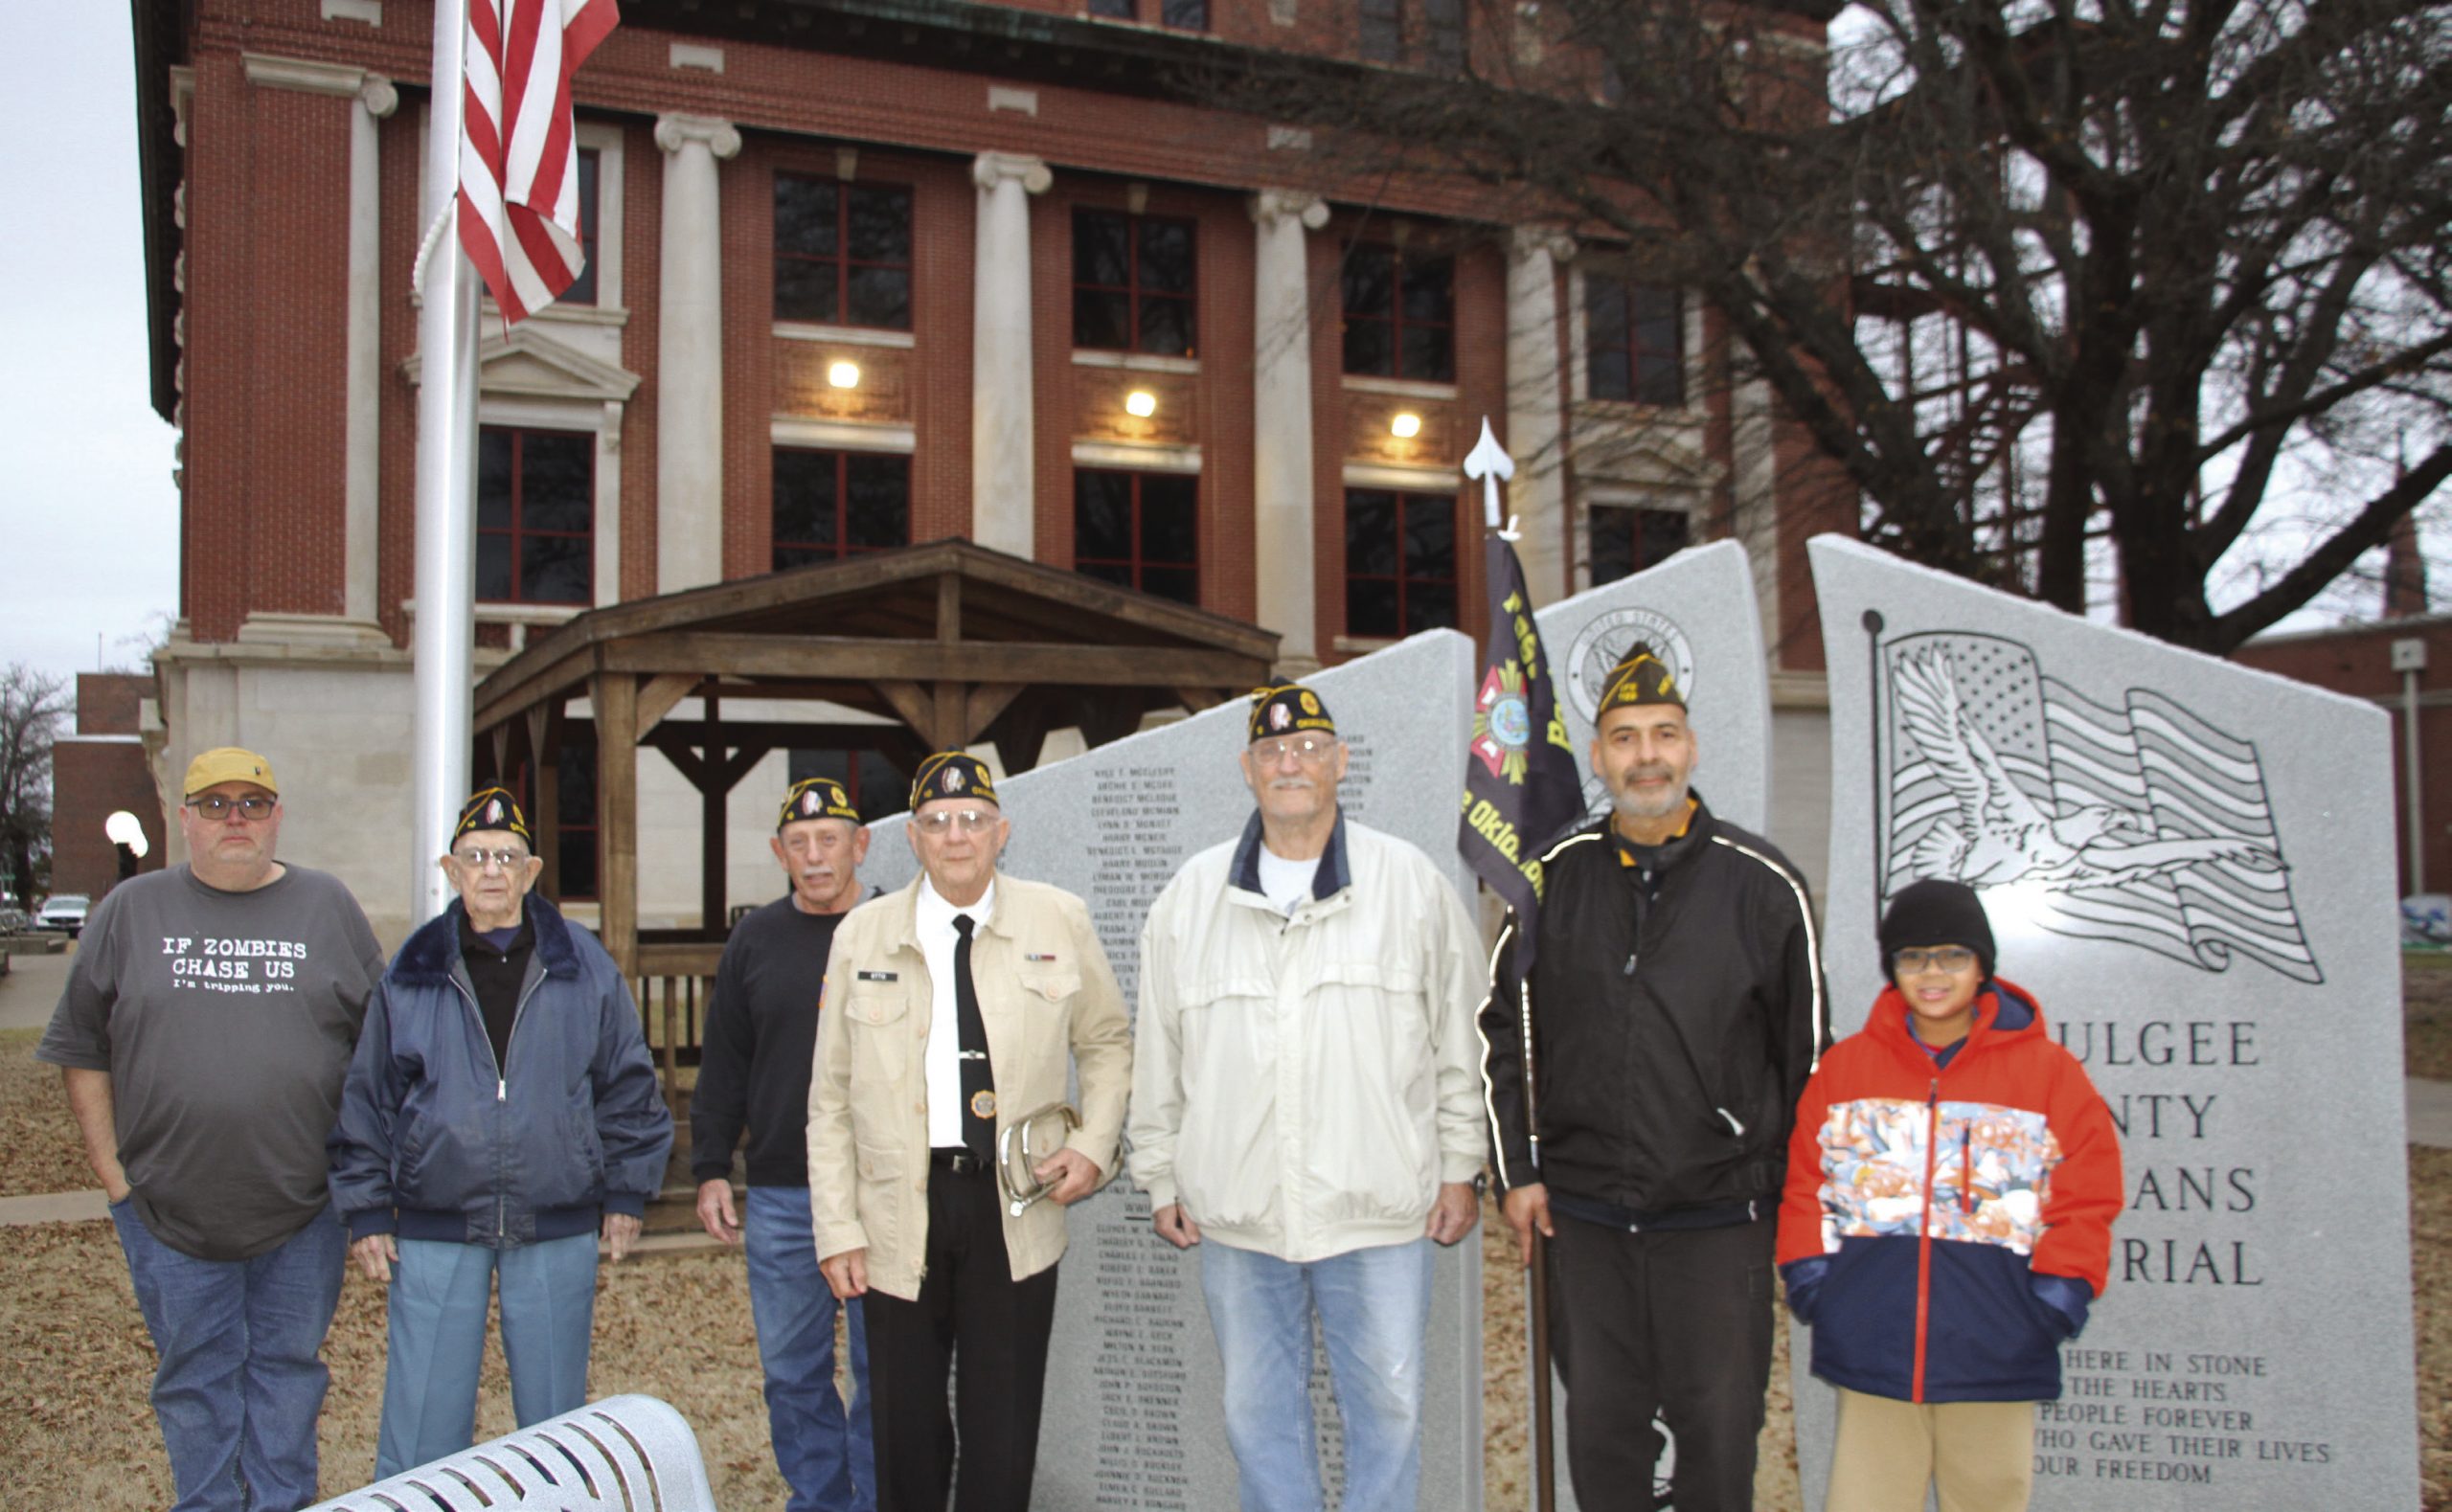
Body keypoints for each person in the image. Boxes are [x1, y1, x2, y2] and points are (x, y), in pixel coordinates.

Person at [1478, 643, 1829, 1512]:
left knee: (1717, 1435)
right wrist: (1517, 1172)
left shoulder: (1765, 886)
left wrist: (1793, 1201)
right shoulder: (1548, 882)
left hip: (1718, 1219)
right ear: (1597, 757)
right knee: (1603, 1435)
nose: (1647, 755)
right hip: (1586, 1218)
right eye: (1626, 737)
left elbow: (1810, 1059)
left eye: (1664, 734)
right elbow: (1504, 1034)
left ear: (1692, 747)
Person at [1130, 684, 1485, 1512]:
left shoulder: (1412, 885)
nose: (1291, 763)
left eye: (1310, 748)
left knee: (1390, 1413)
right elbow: (1160, 1052)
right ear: (1249, 771)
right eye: (1273, 752)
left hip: (1380, 1213)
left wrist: (1461, 1163)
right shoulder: (1192, 895)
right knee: (1257, 1417)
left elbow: (1461, 1041)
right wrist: (1158, 1173)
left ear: (1340, 763)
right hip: (1240, 1215)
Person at [38, 747, 386, 1512]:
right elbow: (81, 1046)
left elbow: (381, 1052)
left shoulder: (327, 906)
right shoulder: (130, 912)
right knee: (194, 1378)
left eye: (253, 803)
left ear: (277, 816)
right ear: (183, 818)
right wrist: (114, 1176)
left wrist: (362, 1177)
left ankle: (281, 1502)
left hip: (303, 1211)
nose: (237, 818)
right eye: (216, 803)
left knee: (288, 1371)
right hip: (166, 1210)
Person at [808, 752, 1132, 1512]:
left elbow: (1108, 1042)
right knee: (905, 1433)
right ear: (913, 839)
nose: (957, 836)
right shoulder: (863, 936)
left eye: (974, 821)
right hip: (898, 1211)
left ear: (1002, 832)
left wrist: (1093, 1144)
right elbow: (827, 1098)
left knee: (1004, 1430)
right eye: (938, 822)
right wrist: (837, 1226)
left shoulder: (1058, 919)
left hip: (1014, 1208)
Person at [328, 787, 671, 1478]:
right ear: (451, 871)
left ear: (532, 871)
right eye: (476, 856)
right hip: (436, 1219)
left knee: (554, 1424)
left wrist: (627, 1192)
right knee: (423, 1416)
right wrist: (367, 1207)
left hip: (555, 1214)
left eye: (507, 857)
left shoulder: (583, 965)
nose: (492, 870)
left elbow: (627, 1083)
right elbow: (371, 1093)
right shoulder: (412, 971)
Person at [1777, 879, 2122, 1512]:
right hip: (1874, 1343)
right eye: (1913, 956)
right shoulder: (1847, 1069)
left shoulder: (2048, 1072)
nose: (1931, 973)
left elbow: (2087, 1191)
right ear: (1894, 967)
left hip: (1997, 1346)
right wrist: (1815, 1282)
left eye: (1951, 955)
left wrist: (2057, 1295)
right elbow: (1808, 1184)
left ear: (1981, 965)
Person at [693, 777, 877, 1512]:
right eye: (798, 843)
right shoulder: (755, 939)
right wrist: (710, 1166)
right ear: (779, 853)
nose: (815, 855)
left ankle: (876, 1498)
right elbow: (724, 1060)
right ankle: (821, 1499)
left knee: (883, 1368)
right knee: (792, 1371)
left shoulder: (895, 925)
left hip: (878, 1188)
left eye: (829, 839)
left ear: (860, 844)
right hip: (780, 1191)